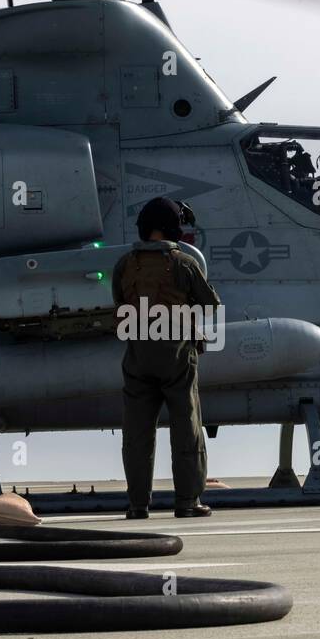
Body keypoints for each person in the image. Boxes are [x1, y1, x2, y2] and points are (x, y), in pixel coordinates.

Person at [112, 197, 221, 519]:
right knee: (186, 425)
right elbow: (210, 303)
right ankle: (188, 502)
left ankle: (137, 505)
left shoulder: (124, 264)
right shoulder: (184, 262)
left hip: (137, 355)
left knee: (137, 432)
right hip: (175, 356)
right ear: (174, 227)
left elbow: (118, 302)